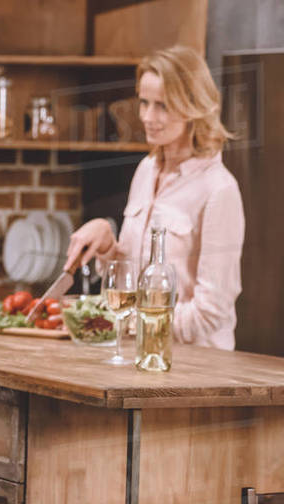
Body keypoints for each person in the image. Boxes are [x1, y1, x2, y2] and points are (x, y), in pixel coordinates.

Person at [62, 45, 245, 350]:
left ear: (192, 105)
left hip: (199, 368)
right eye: (144, 102)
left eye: (162, 105)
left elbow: (211, 313)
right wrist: (108, 245)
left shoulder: (219, 189)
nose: (148, 116)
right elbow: (131, 281)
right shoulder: (145, 170)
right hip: (141, 358)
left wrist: (131, 320)